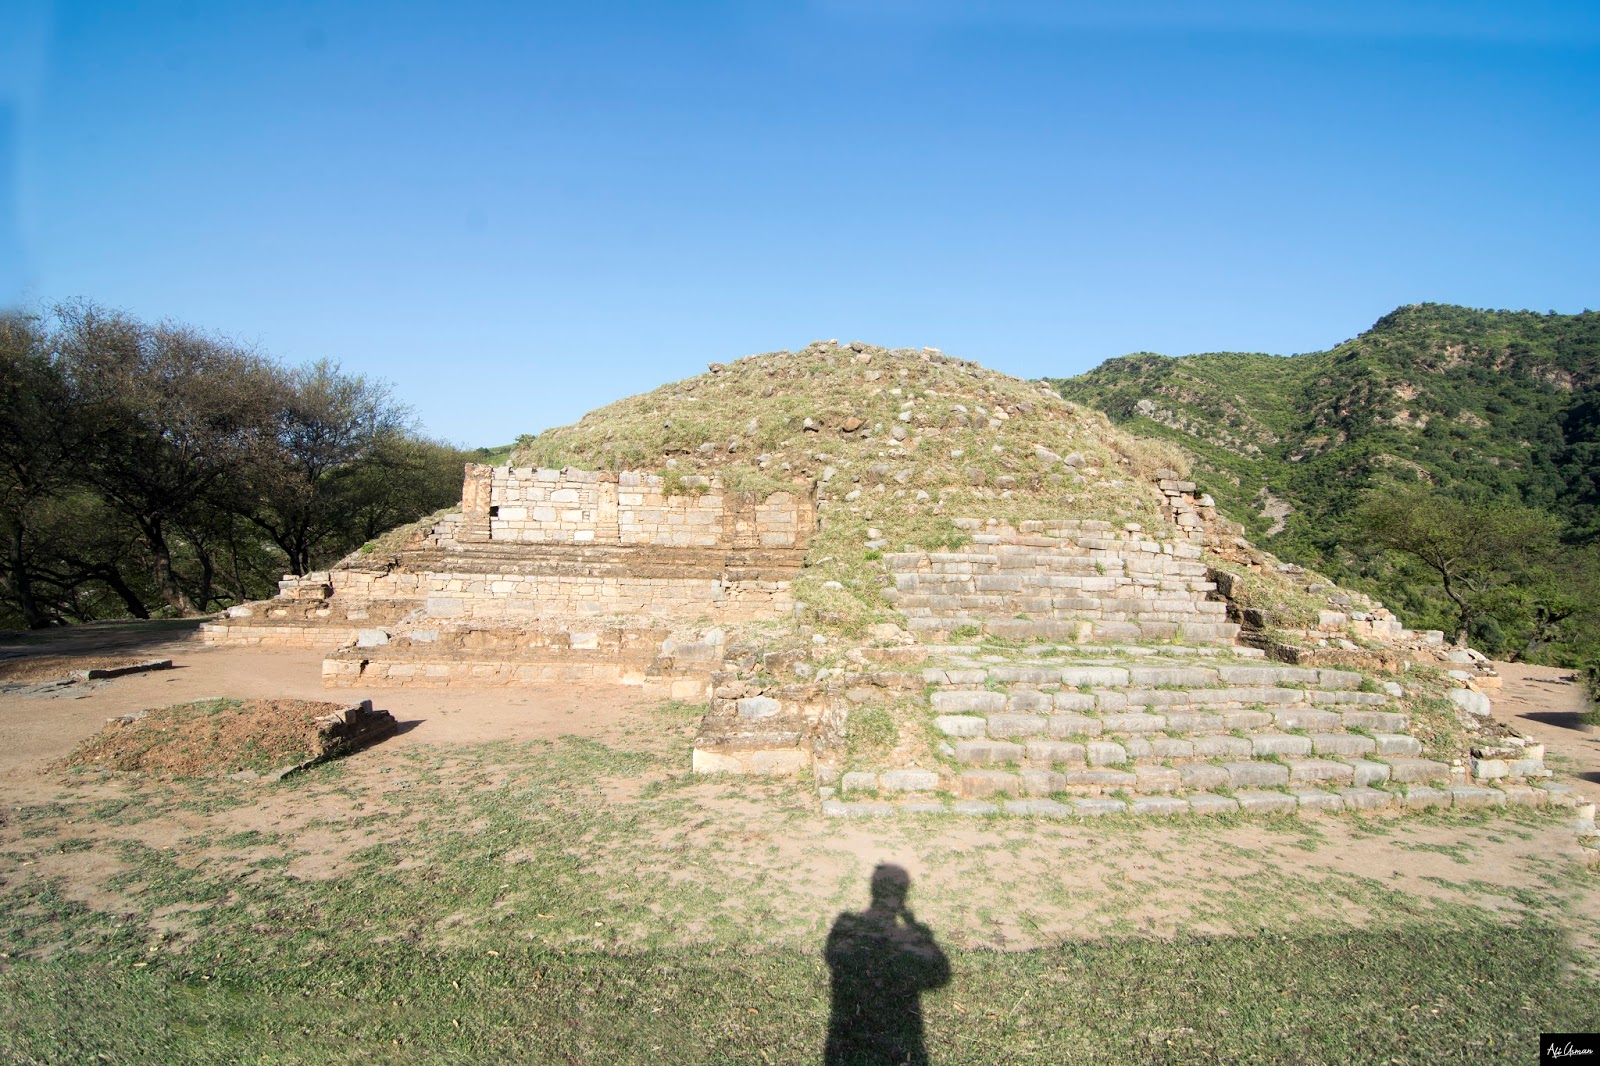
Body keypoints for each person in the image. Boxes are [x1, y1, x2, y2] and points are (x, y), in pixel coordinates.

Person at [824, 863, 951, 1065]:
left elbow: (833, 954)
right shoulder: (904, 935)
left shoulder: (847, 926)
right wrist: (916, 930)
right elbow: (940, 975)